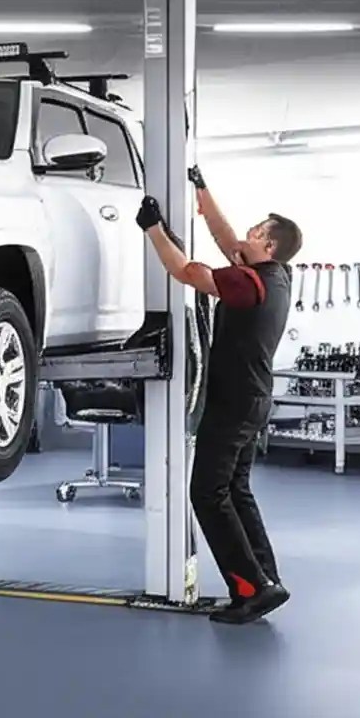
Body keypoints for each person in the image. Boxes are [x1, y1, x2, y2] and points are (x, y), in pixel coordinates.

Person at [134, 166, 303, 624]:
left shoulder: (248, 283)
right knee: (236, 488)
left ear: (267, 246)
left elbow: (185, 271)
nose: (246, 232)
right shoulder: (274, 276)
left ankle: (247, 589)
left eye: (256, 231)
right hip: (254, 399)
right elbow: (227, 238)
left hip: (233, 402)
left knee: (206, 492)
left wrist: (152, 228)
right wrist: (201, 191)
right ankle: (266, 580)